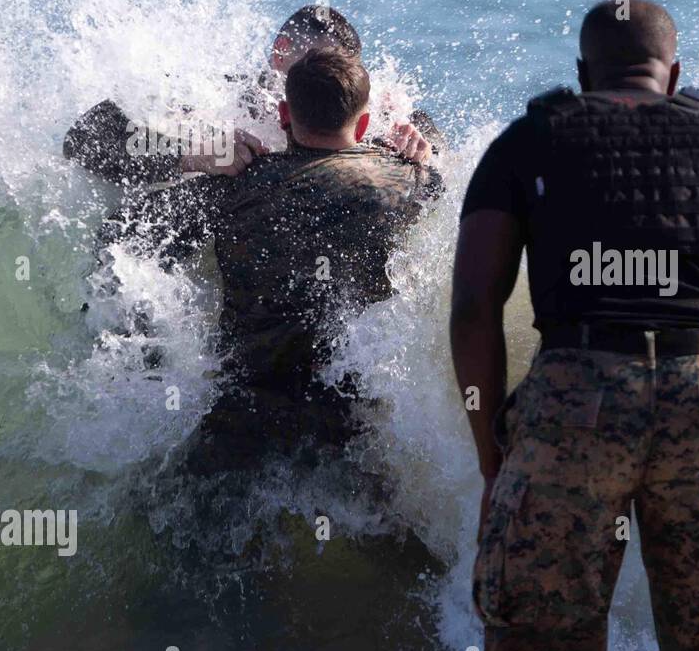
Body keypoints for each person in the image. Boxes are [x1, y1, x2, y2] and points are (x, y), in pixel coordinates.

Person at [450, 0, 699, 651]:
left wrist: (492, 459)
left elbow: (474, 307)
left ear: (583, 73)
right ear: (673, 74)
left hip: (574, 400)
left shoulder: (526, 143)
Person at [100, 46, 444, 470]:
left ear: (283, 114)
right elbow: (440, 174)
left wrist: (191, 157)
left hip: (240, 422)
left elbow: (121, 228)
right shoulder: (405, 183)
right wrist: (423, 150)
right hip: (349, 429)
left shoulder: (233, 186)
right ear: (368, 122)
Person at [63, 4, 440, 189]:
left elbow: (429, 132)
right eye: (314, 63)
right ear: (280, 52)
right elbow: (85, 137)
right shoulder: (215, 96)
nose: (325, 82)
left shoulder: (368, 107)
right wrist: (193, 155)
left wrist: (422, 146)